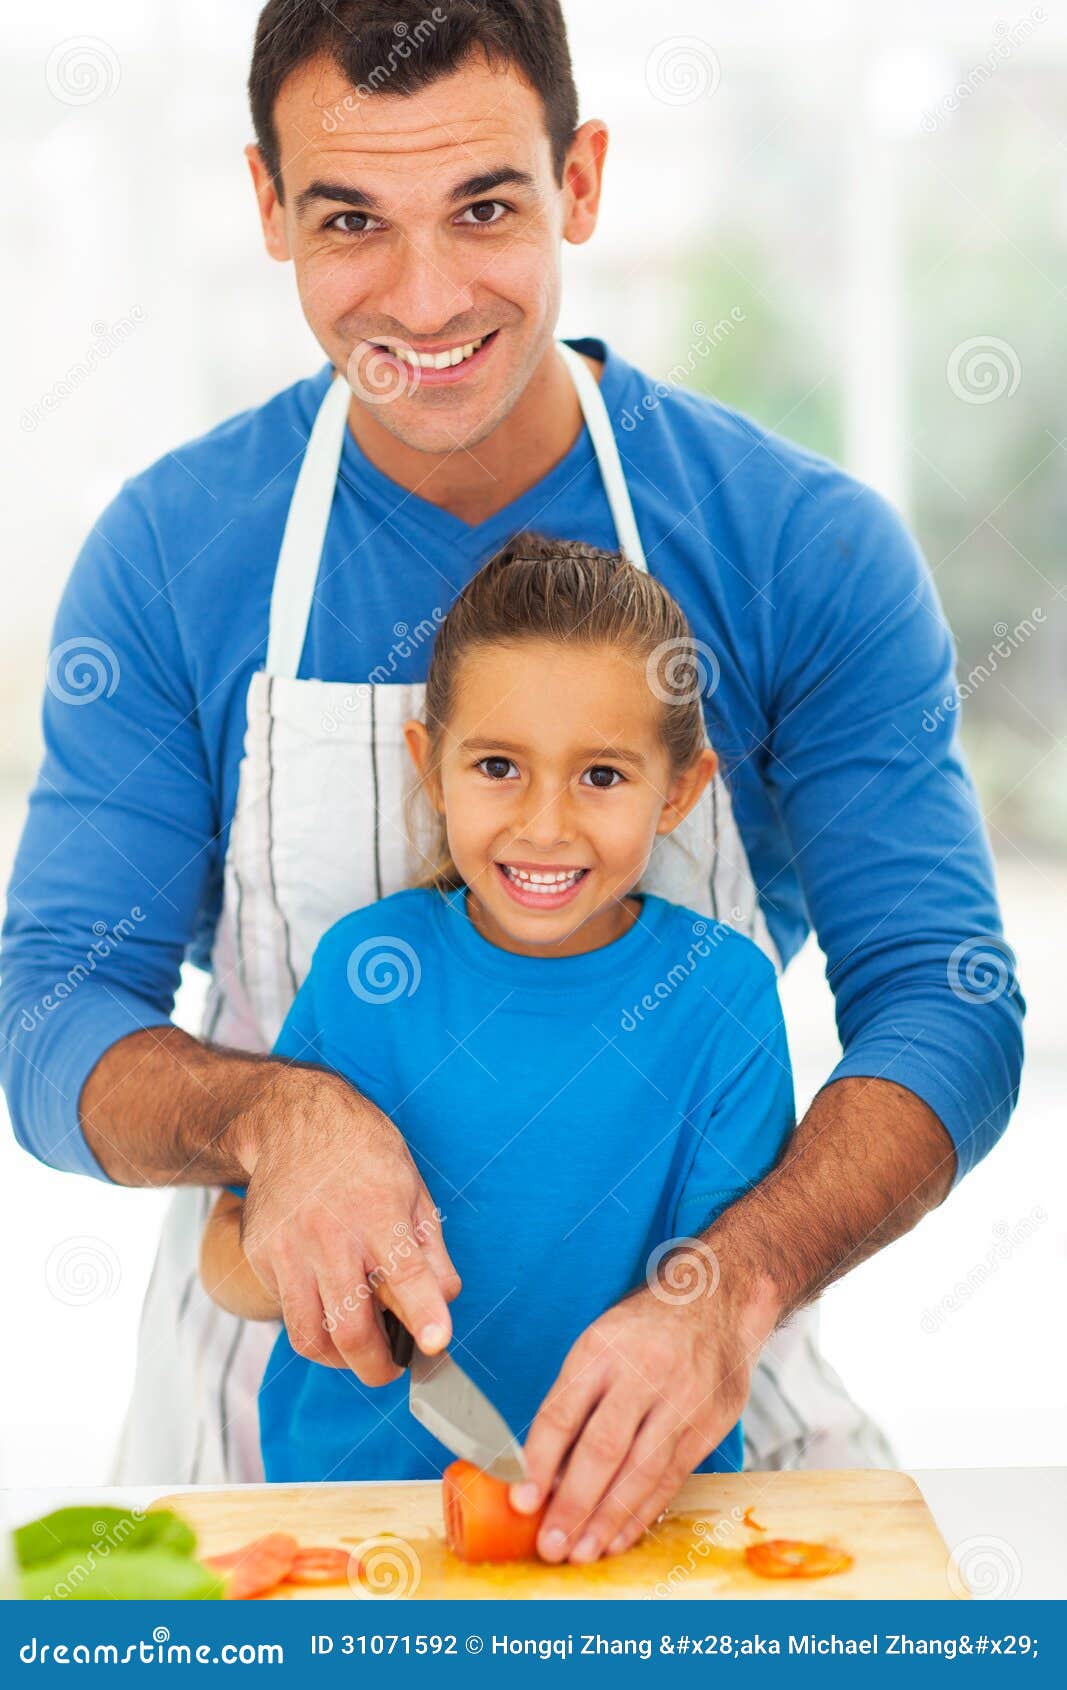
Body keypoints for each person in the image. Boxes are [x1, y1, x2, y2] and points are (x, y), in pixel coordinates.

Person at [0, 0, 1022, 1566]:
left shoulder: (798, 548)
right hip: (275, 1465)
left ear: (579, 181)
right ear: (267, 206)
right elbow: (51, 1013)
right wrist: (273, 1117)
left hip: (701, 1424)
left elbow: (947, 1003)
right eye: (350, 219)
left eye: (483, 209)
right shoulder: (171, 554)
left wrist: (729, 1287)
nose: (423, 299)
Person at [199, 536, 795, 1528]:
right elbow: (226, 1254)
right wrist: (313, 1270)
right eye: (496, 766)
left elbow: (727, 1285)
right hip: (351, 1516)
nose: (544, 825)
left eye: (600, 774)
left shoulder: (721, 996)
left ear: (679, 791)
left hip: (636, 1512)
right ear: (430, 769)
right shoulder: (364, 972)